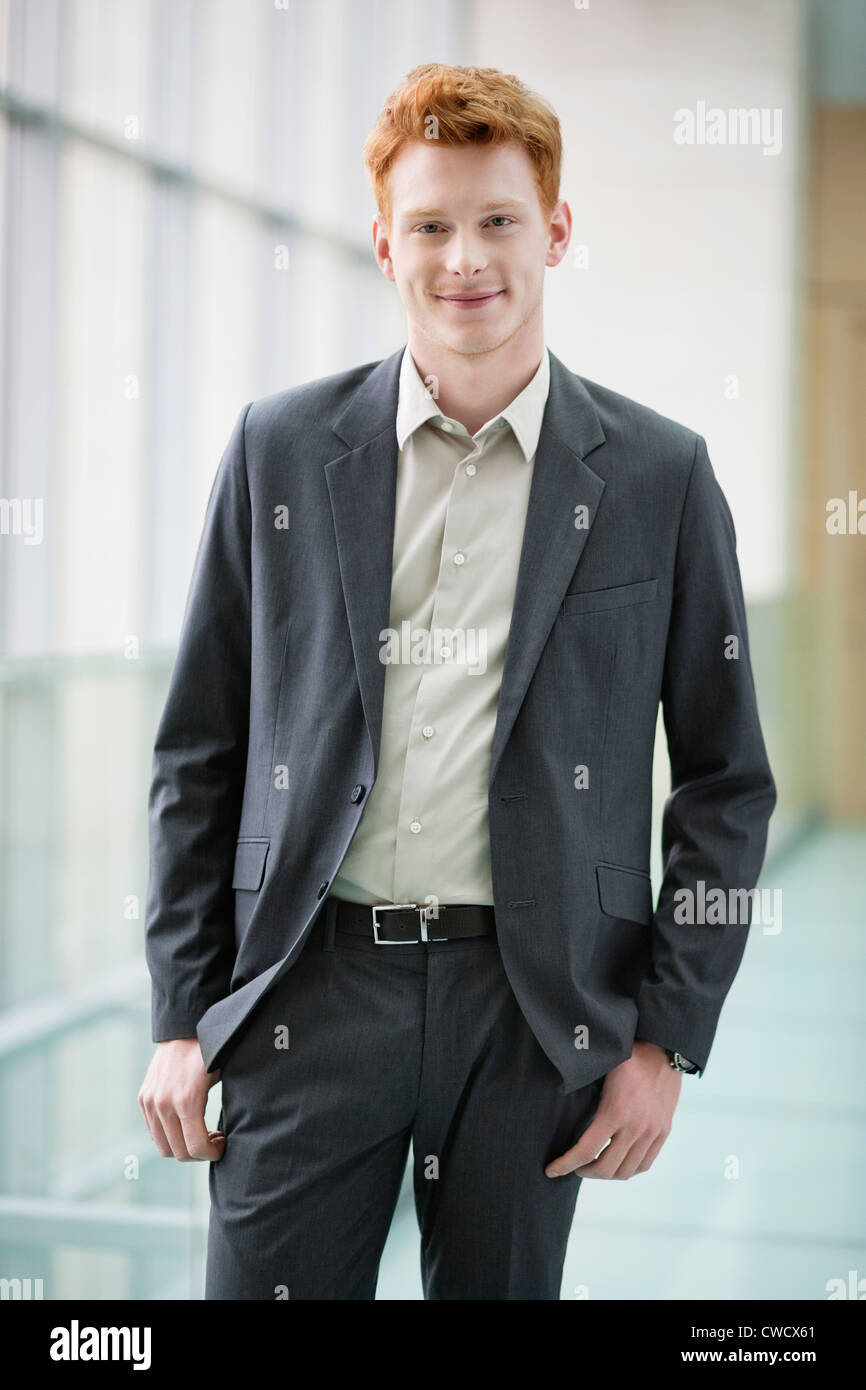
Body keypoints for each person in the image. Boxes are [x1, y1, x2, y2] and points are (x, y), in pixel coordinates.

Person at [138, 63, 776, 1301]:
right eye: (429, 225)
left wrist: (663, 1041)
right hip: (306, 995)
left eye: (496, 220)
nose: (463, 258)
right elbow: (197, 752)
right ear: (384, 243)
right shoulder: (277, 448)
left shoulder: (658, 477)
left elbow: (725, 784)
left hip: (532, 1014)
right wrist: (180, 1012)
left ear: (555, 232)